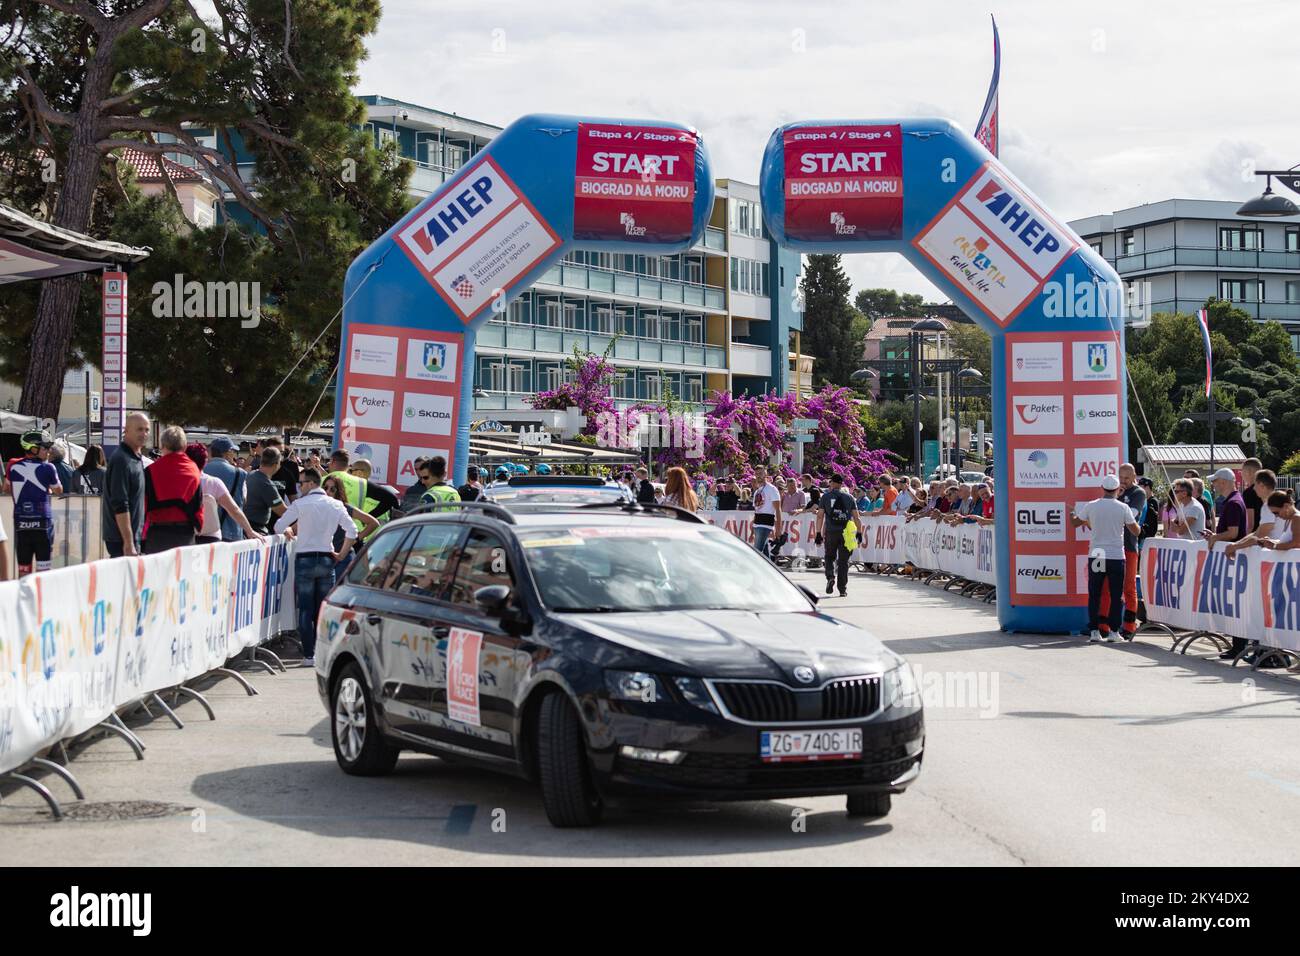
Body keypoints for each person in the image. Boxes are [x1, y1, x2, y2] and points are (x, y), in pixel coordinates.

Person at [275, 468, 358, 667]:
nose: (299, 486)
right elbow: (353, 531)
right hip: (327, 557)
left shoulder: (300, 504)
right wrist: (342, 554)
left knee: (305, 608)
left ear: (311, 484)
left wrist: (288, 530)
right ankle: (322, 651)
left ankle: (308, 655)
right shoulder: (336, 504)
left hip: (305, 558)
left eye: (302, 483)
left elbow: (279, 527)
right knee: (322, 609)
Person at [1072, 474, 1140, 644]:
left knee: (1095, 593)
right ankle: (1114, 632)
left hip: (1097, 553)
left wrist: (1072, 513)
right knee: (1116, 594)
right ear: (1118, 489)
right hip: (1116, 555)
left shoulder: (1092, 505)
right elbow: (1136, 531)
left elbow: (1075, 523)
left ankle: (1094, 631)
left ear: (1102, 488)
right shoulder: (1123, 507)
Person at [1203, 467, 1250, 660]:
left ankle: (1239, 646)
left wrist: (1215, 537)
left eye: (1215, 481)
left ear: (1223, 481)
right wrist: (1215, 536)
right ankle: (1238, 645)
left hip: (1234, 558)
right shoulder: (1233, 500)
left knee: (1235, 603)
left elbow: (1232, 532)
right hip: (1234, 557)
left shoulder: (1232, 503)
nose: (1213, 485)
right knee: (1234, 603)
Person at [1097, 462, 1147, 641]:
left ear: (1134, 477)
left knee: (1129, 587)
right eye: (1121, 477)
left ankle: (1129, 625)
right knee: (1104, 587)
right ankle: (1102, 625)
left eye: (1127, 478)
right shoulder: (1114, 493)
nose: (1124, 481)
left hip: (1128, 547)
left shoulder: (1138, 493)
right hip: (1106, 548)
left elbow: (1131, 515)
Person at [184, 443, 264, 545]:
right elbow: (234, 509)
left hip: (187, 536)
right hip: (213, 537)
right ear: (205, 460)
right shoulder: (213, 482)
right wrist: (250, 531)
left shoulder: (178, 482)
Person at [8, 430, 62, 576]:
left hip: (21, 522)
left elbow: (6, 488)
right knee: (43, 571)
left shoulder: (13, 466)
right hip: (42, 522)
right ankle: (41, 598)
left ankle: (22, 598)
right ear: (33, 448)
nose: (48, 451)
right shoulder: (48, 467)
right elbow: (58, 490)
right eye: (45, 447)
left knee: (23, 570)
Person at [143, 426, 204, 553]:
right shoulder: (194, 470)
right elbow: (198, 504)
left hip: (158, 534)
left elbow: (142, 504)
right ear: (184, 446)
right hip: (185, 534)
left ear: (163, 445)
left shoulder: (150, 470)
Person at [103, 412, 149, 557]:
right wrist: (128, 543)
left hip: (132, 538)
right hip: (121, 541)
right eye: (139, 429)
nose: (144, 434)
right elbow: (120, 503)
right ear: (127, 430)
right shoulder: (121, 460)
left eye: (146, 430)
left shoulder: (135, 458)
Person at [813, 473, 864, 597]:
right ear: (841, 484)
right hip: (846, 532)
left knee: (829, 557)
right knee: (843, 561)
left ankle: (830, 576)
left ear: (833, 483)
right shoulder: (849, 497)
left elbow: (820, 516)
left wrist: (818, 532)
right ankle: (842, 589)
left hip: (831, 531)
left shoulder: (825, 497)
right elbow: (857, 517)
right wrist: (859, 532)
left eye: (831, 482)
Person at [1226, 490, 1298, 556]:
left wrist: (1274, 545)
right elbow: (1287, 542)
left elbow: (1296, 544)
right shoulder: (1289, 520)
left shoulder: (1296, 518)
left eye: (1276, 512)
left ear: (1286, 506)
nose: (1276, 516)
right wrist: (1271, 542)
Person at [203, 437, 246, 542]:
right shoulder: (240, 473)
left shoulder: (200, 470)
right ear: (228, 453)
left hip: (205, 532)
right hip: (231, 531)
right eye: (233, 452)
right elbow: (244, 499)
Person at [242, 446, 289, 534]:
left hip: (244, 527)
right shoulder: (267, 484)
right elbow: (283, 511)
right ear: (276, 464)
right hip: (256, 529)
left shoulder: (251, 475)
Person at [750, 464, 782, 558]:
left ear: (766, 473)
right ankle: (770, 571)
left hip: (765, 524)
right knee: (764, 554)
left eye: (761, 473)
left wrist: (778, 529)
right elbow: (756, 510)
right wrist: (753, 528)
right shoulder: (757, 491)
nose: (758, 475)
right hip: (757, 523)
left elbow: (778, 509)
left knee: (756, 553)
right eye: (756, 474)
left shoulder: (772, 489)